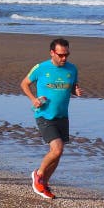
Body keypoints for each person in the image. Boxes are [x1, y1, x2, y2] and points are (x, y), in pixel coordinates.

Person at [20, 38, 82, 199]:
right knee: (57, 149)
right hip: (44, 115)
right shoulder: (41, 68)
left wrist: (76, 91)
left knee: (58, 153)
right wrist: (33, 99)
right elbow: (24, 84)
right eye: (61, 55)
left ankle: (44, 184)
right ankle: (38, 174)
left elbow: (71, 87)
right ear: (52, 53)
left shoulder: (72, 69)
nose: (64, 58)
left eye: (66, 55)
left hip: (62, 115)